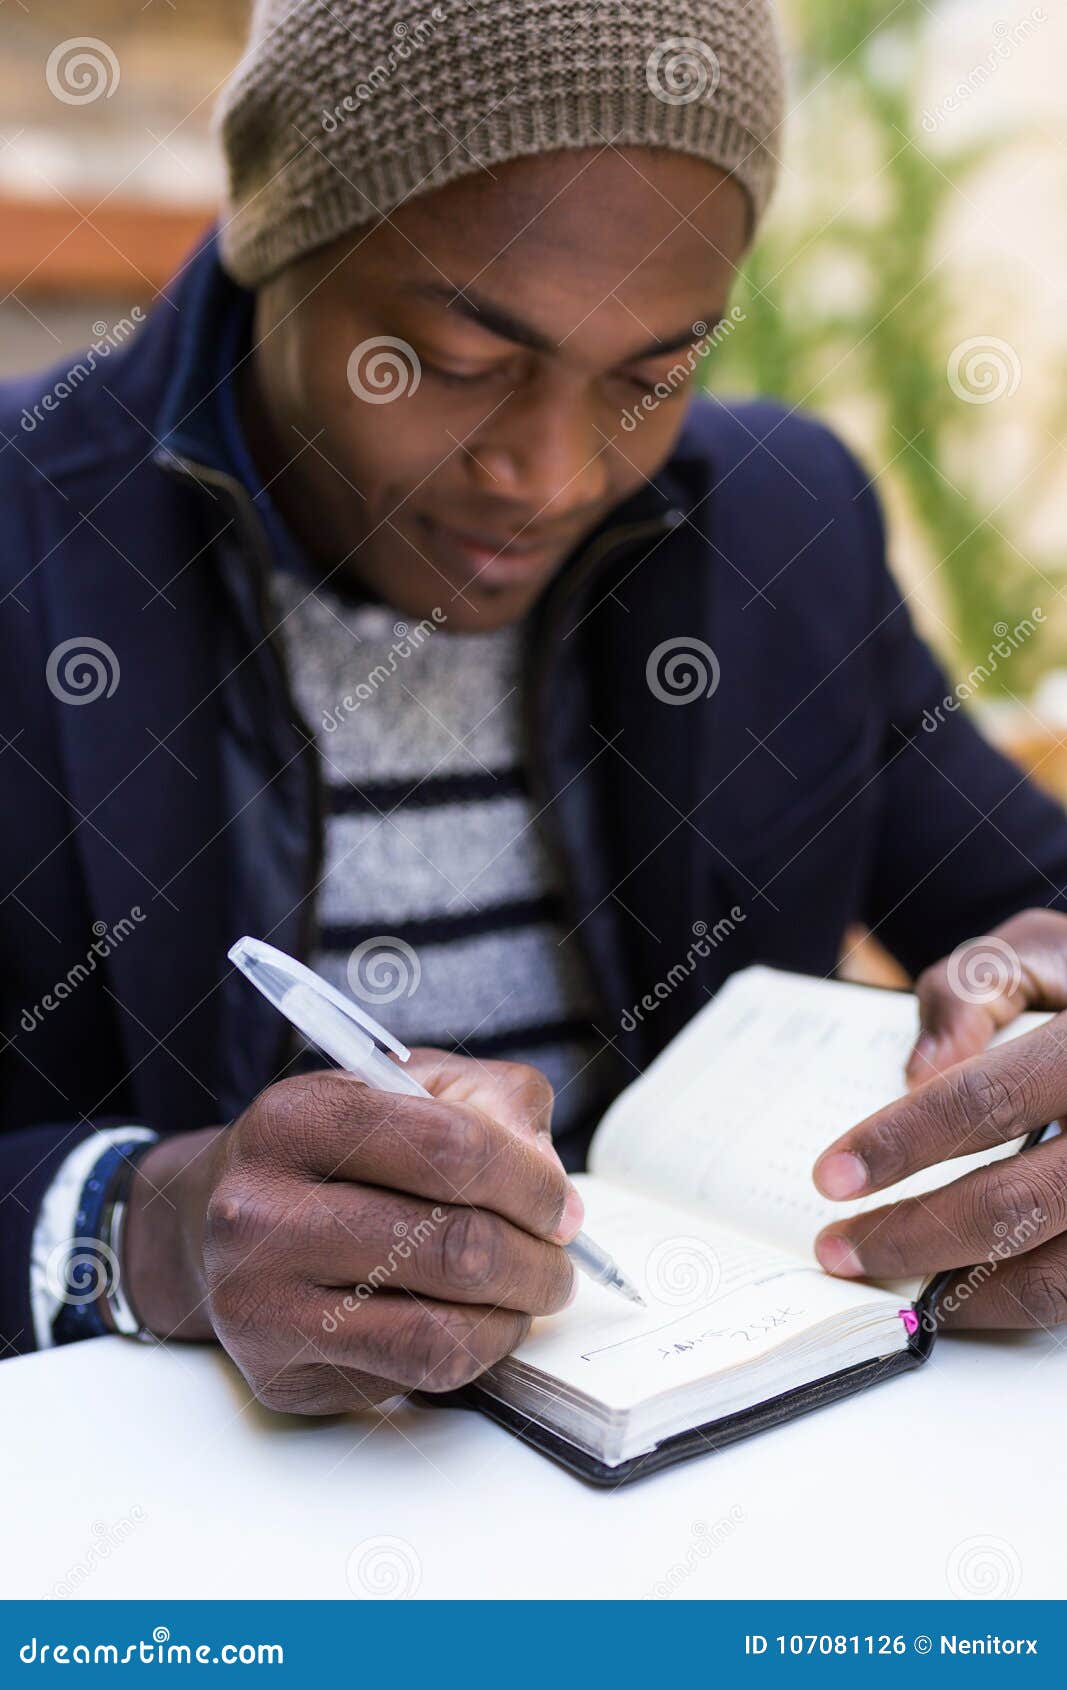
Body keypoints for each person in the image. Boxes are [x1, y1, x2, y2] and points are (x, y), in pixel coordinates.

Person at [3, 0, 1067, 1415]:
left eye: (653, 374)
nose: (556, 474)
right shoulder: (26, 542)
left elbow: (1031, 904)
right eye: (456, 363)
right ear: (275, 230)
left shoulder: (779, 529)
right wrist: (145, 1227)